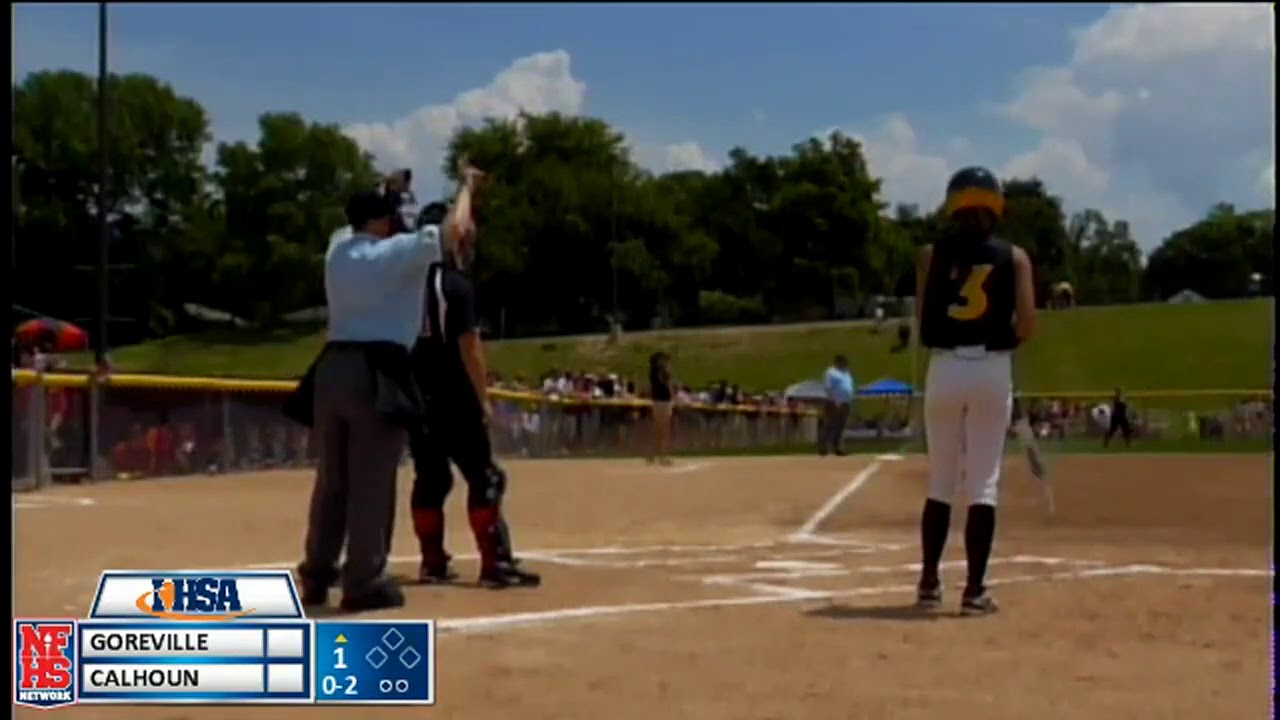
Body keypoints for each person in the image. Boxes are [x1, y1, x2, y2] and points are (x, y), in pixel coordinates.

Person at [284, 179, 465, 612]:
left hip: (332, 368)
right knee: (372, 480)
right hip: (377, 369)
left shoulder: (337, 250)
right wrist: (467, 188)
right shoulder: (399, 252)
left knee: (332, 481)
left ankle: (316, 574)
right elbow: (453, 231)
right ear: (382, 221)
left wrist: (386, 190)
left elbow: (357, 228)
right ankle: (363, 580)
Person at [913, 166, 1037, 616]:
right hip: (991, 367)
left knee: (941, 480)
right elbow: (1027, 323)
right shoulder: (1016, 257)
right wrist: (1002, 345)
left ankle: (929, 583)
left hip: (944, 367)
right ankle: (975, 590)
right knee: (983, 482)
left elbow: (923, 316)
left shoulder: (931, 254)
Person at [406, 188, 542, 590]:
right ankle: (494, 564)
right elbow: (470, 348)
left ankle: (432, 561)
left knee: (430, 479)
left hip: (416, 395)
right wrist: (483, 398)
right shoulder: (455, 284)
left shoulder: (402, 286)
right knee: (485, 478)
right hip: (454, 397)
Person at [819, 354, 854, 456]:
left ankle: (838, 447)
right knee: (830, 425)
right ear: (837, 362)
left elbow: (848, 386)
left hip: (846, 402)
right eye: (843, 363)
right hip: (834, 402)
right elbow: (827, 387)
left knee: (841, 426)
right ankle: (823, 447)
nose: (845, 365)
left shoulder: (846, 373)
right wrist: (834, 399)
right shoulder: (830, 372)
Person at [647, 351, 674, 465]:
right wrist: (668, 369)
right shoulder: (660, 372)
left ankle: (654, 455)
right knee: (664, 430)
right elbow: (666, 383)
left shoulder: (653, 372)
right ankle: (663, 456)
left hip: (657, 401)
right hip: (663, 401)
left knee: (658, 429)